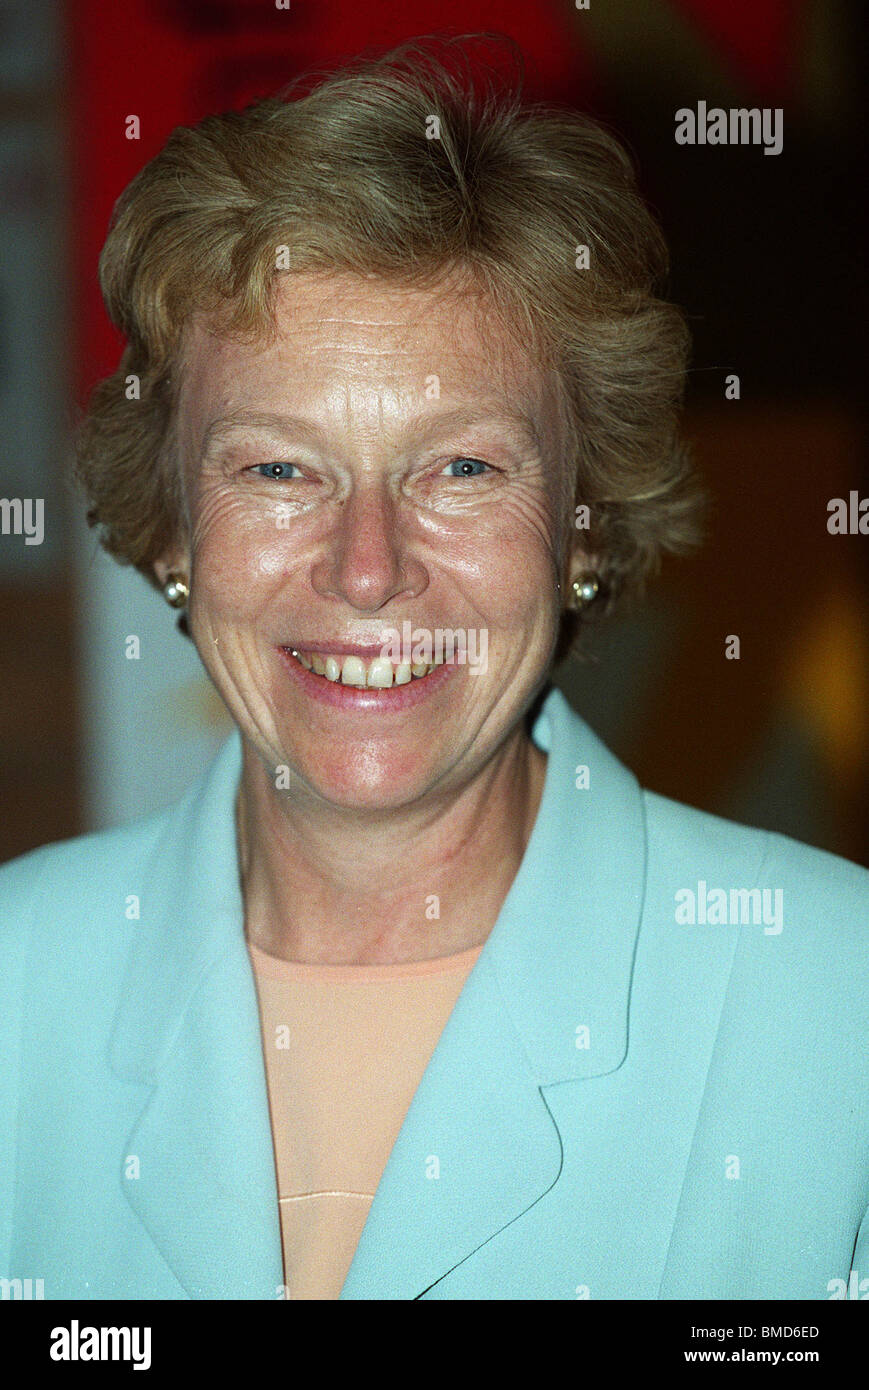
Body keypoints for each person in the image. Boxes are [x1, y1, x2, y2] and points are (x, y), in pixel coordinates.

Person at [1, 38, 866, 1302]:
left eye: (459, 468)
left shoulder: (832, 1002)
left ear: (579, 521)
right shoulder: (17, 984)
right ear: (176, 527)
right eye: (276, 468)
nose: (366, 569)